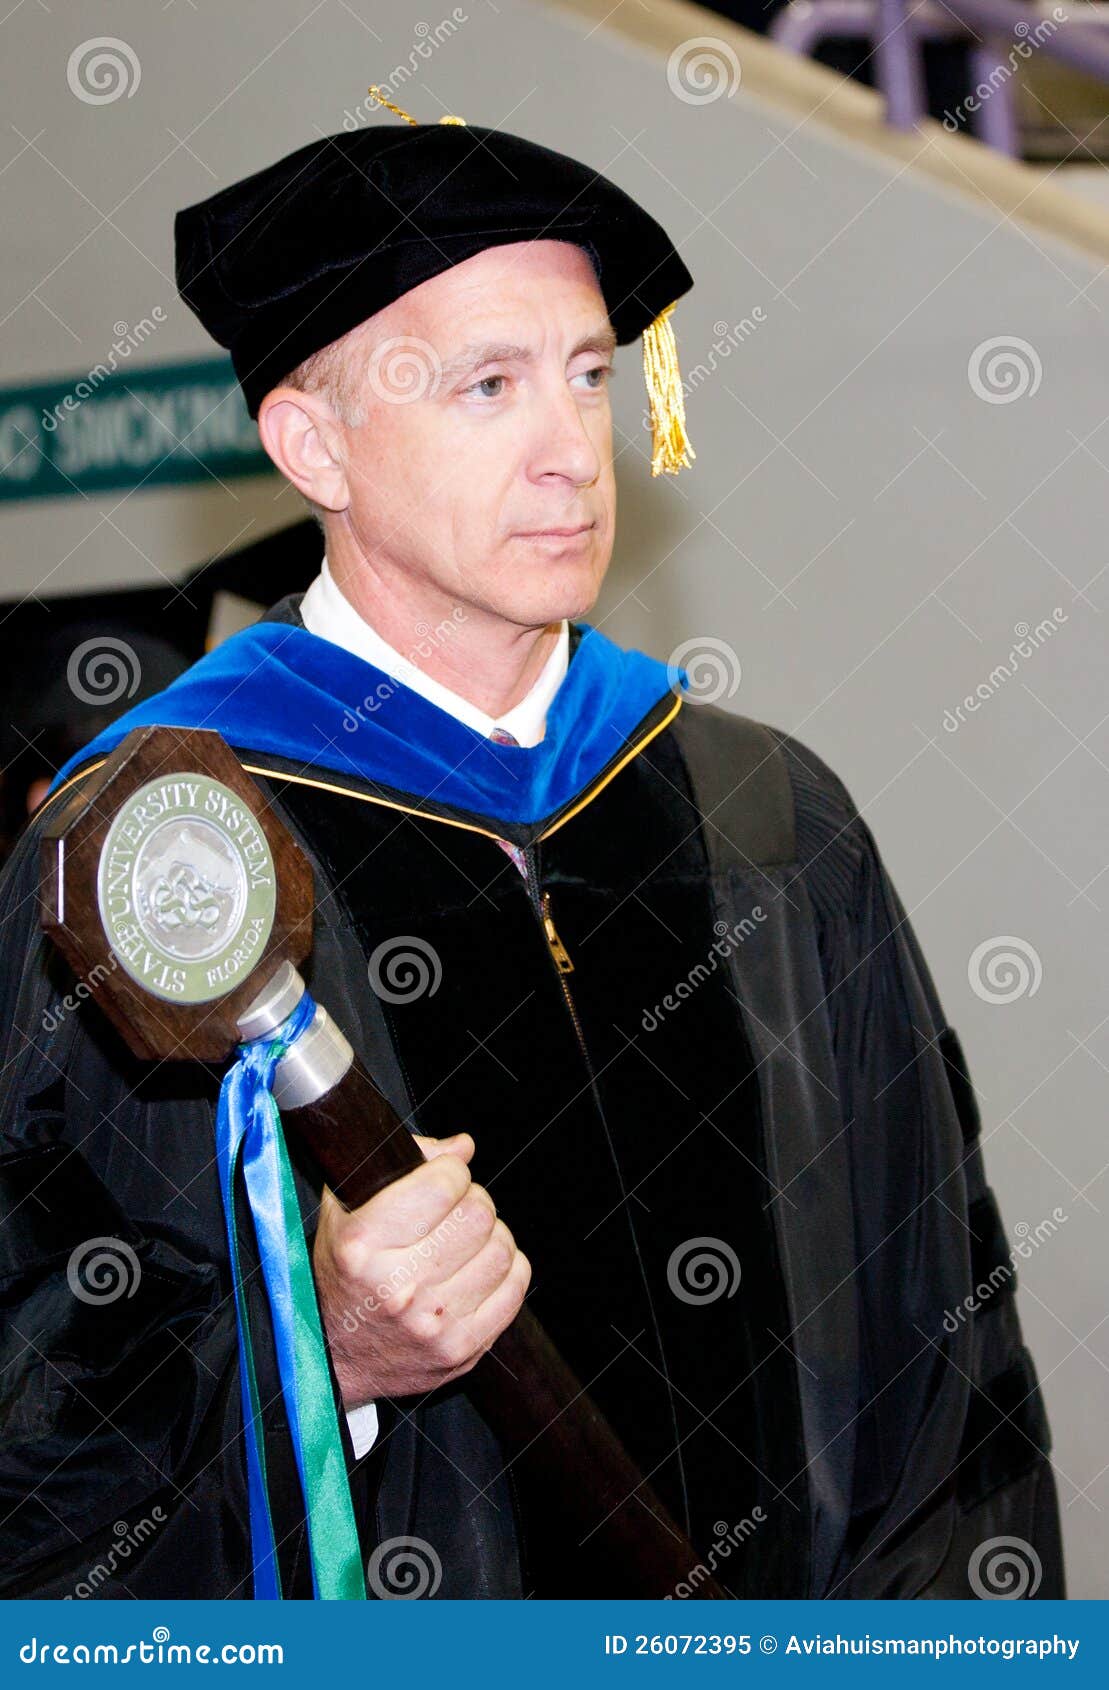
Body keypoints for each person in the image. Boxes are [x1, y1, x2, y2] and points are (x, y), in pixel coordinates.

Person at [0, 91, 1062, 1601]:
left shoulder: (770, 817)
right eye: (489, 385)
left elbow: (939, 1341)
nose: (572, 450)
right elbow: (37, 1393)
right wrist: (322, 1358)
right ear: (314, 445)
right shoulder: (153, 861)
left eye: (588, 374)